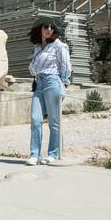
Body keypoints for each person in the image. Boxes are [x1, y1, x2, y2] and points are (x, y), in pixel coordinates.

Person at [27, 19, 72, 166]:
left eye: (52, 27)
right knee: (35, 119)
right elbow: (34, 67)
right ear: (40, 28)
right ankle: (35, 154)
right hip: (38, 83)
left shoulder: (59, 45)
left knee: (54, 121)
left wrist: (64, 82)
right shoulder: (37, 47)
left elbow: (65, 65)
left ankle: (54, 153)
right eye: (46, 26)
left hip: (52, 81)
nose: (49, 29)